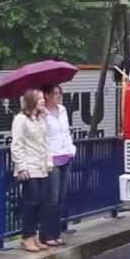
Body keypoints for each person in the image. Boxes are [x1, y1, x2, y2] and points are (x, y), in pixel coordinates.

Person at [10, 88, 52, 253]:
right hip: (29, 167)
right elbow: (17, 144)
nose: (42, 101)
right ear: (31, 101)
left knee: (41, 203)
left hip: (41, 167)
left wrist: (49, 162)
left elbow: (45, 142)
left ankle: (34, 235)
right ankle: (26, 236)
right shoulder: (21, 119)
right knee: (31, 202)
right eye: (39, 98)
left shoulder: (40, 119)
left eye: (42, 98)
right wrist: (21, 166)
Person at [41, 82, 77, 247]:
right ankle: (46, 234)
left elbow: (66, 132)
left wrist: (71, 150)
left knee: (61, 198)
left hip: (65, 156)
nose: (58, 96)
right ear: (47, 95)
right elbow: (42, 137)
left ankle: (56, 233)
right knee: (52, 198)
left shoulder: (62, 110)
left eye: (59, 93)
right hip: (52, 158)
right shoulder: (42, 113)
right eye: (55, 93)